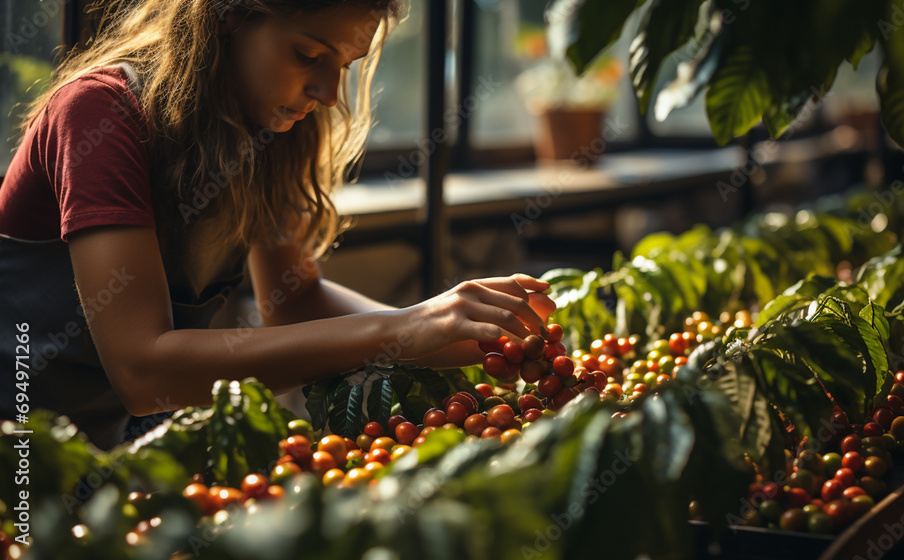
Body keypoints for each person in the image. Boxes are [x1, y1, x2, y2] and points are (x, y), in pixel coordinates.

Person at [0, 0, 554, 450]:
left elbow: (295, 301)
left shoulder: (264, 135)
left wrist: (457, 331)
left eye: (343, 66)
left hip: (97, 446)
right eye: (309, 53)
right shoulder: (100, 116)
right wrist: (403, 329)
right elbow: (145, 372)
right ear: (231, 15)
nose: (329, 93)